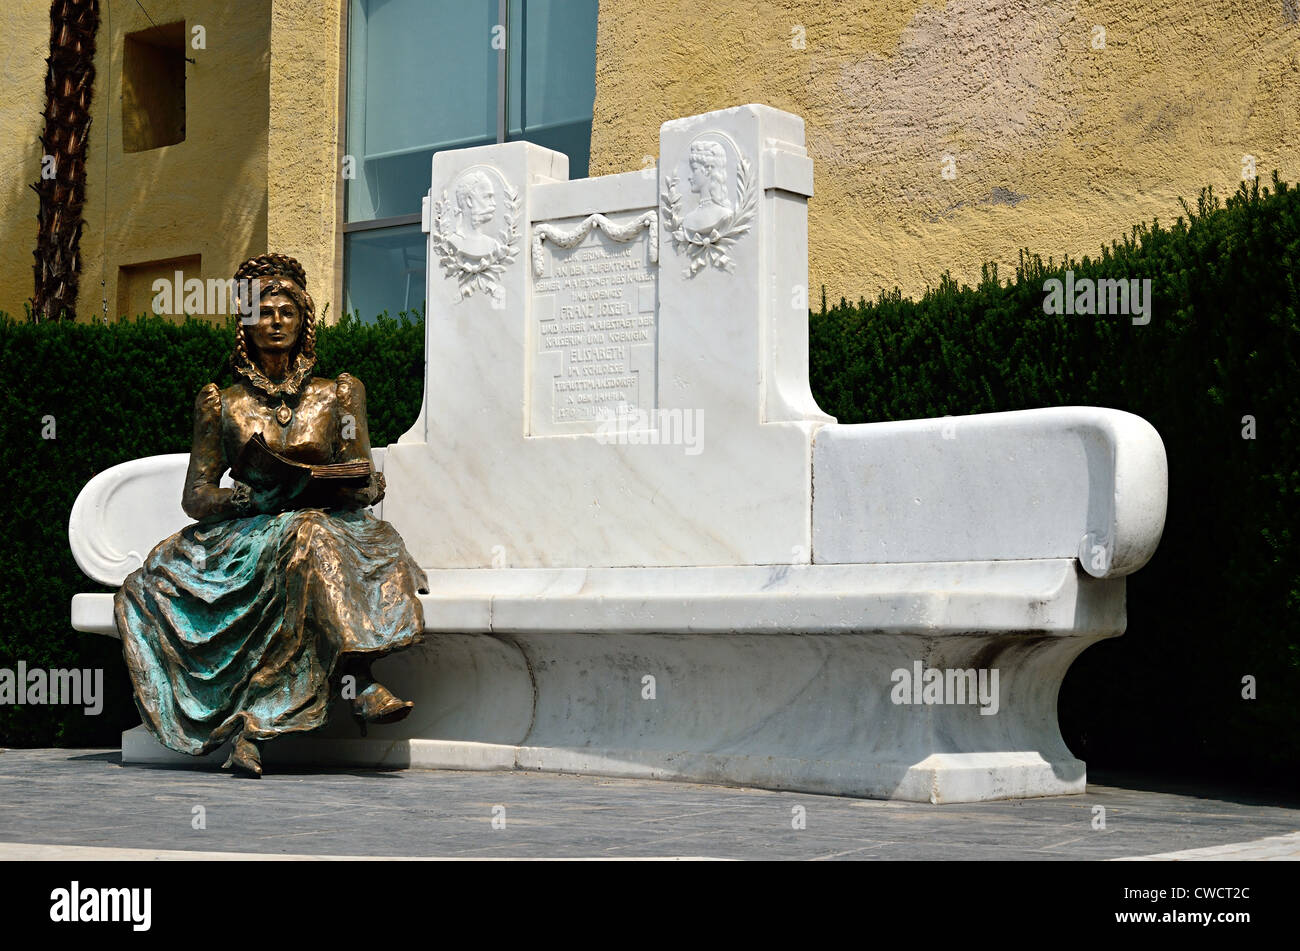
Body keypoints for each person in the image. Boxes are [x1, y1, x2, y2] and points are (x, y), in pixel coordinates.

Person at [114, 253, 427, 778]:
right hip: (249, 533)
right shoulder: (222, 403)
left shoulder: (338, 395)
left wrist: (356, 485)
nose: (276, 322)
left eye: (287, 311)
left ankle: (257, 725)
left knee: (308, 536)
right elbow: (196, 495)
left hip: (329, 525)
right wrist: (245, 499)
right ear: (246, 324)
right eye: (263, 312)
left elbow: (364, 475)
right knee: (296, 540)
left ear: (304, 318)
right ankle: (358, 682)